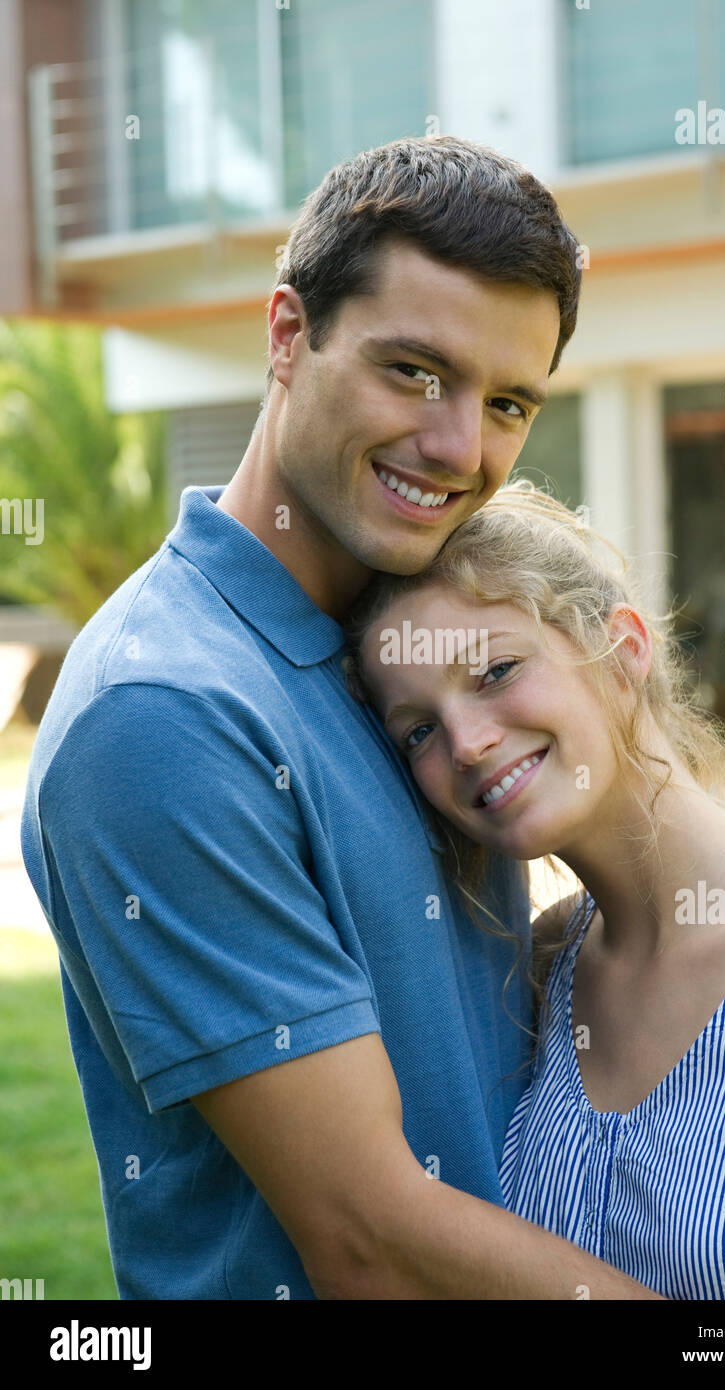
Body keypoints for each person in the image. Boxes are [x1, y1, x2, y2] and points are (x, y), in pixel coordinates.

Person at [21, 136, 660, 1300]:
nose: (460, 447)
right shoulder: (164, 712)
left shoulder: (411, 651)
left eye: (507, 401)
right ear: (286, 334)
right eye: (415, 371)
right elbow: (369, 1237)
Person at [344, 479, 725, 1299]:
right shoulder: (541, 965)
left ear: (622, 648)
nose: (468, 743)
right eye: (418, 730)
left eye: (494, 671)